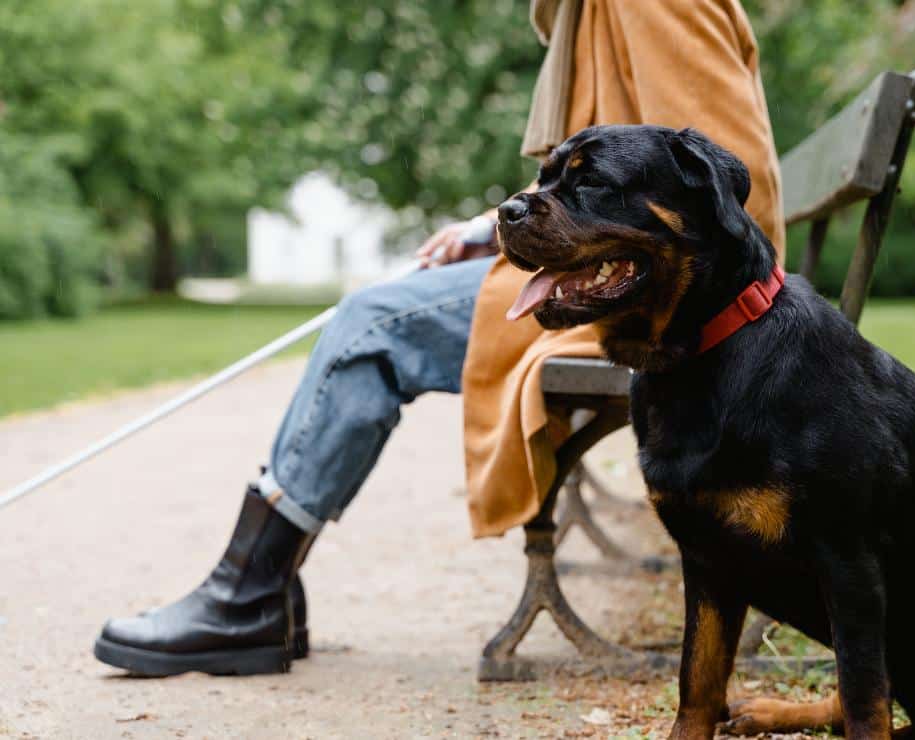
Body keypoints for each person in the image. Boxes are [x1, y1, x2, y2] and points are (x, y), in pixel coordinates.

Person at [93, 0, 786, 676]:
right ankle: (262, 589)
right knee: (373, 314)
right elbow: (601, 175)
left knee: (371, 326)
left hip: (673, 309)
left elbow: (726, 176)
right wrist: (492, 231)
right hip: (610, 277)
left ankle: (247, 596)